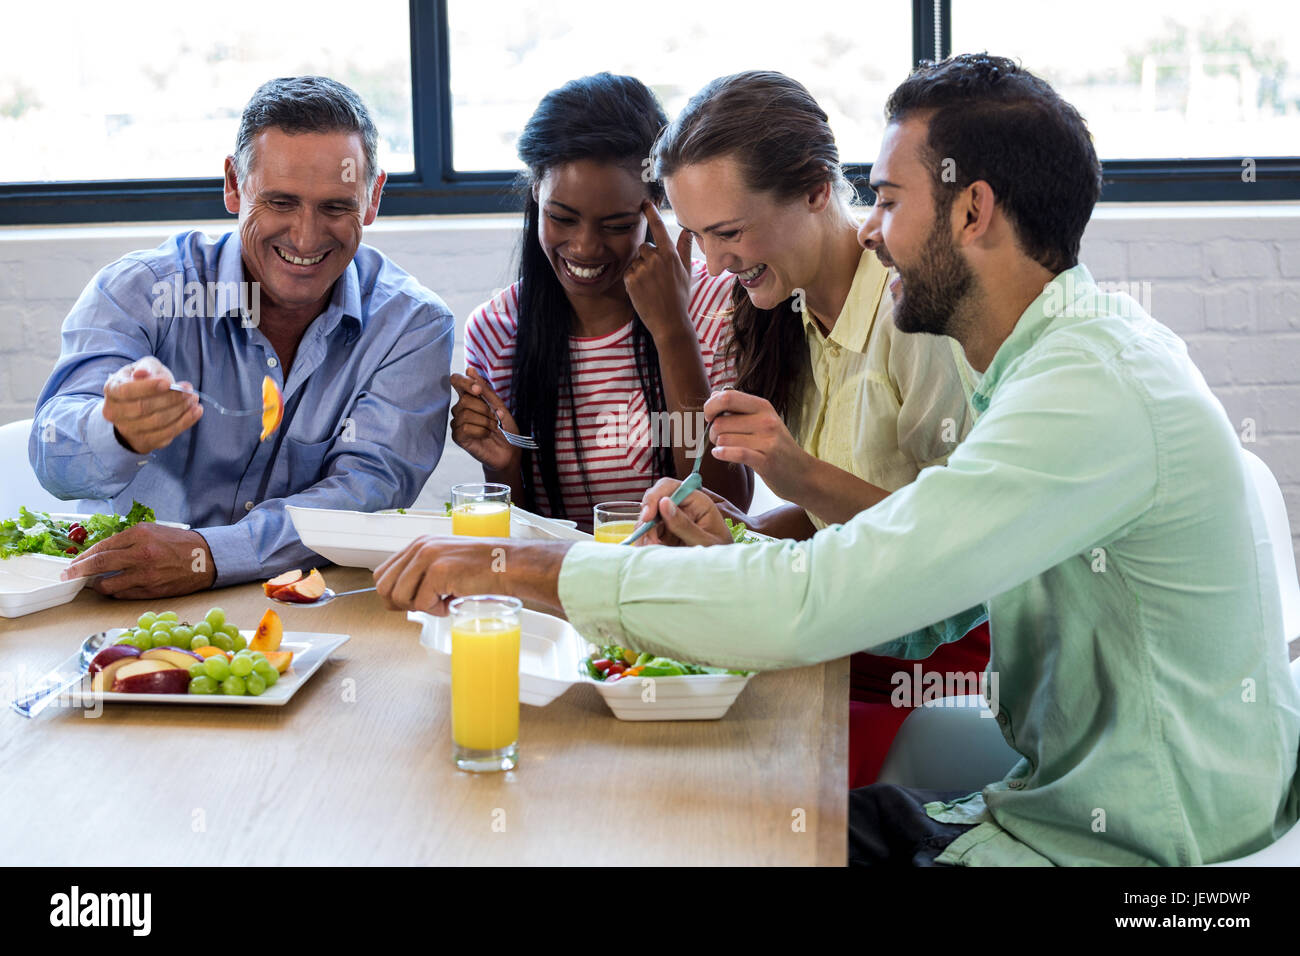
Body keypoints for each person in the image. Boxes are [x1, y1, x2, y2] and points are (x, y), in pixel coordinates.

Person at [373, 55, 1300, 866]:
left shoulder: (1087, 389)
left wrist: (535, 567)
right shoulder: (1046, 365)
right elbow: (929, 607)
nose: (870, 231)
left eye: (890, 202)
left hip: (1142, 854)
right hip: (1036, 813)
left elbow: (830, 597)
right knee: (710, 829)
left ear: (972, 211)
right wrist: (733, 552)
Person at [643, 70, 986, 786]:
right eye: (696, 237)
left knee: (744, 764)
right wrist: (731, 532)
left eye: (728, 232)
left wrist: (797, 476)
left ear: (815, 189)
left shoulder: (913, 316)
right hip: (844, 631)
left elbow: (958, 555)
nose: (711, 263)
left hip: (927, 664)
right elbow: (835, 518)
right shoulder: (791, 314)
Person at [29, 75, 454, 599]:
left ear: (373, 197)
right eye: (280, 202)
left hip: (306, 609)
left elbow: (364, 494)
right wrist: (115, 430)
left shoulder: (411, 326)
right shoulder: (140, 290)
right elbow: (52, 462)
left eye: (336, 207)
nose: (305, 236)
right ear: (234, 185)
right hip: (119, 607)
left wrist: (211, 555)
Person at [453, 73, 748, 531]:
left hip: (683, 582)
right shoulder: (498, 328)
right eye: (562, 218)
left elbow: (727, 511)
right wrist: (503, 464)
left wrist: (673, 331)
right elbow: (523, 531)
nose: (585, 248)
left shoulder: (715, 305)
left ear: (656, 204)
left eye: (615, 225)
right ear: (536, 191)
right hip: (562, 584)